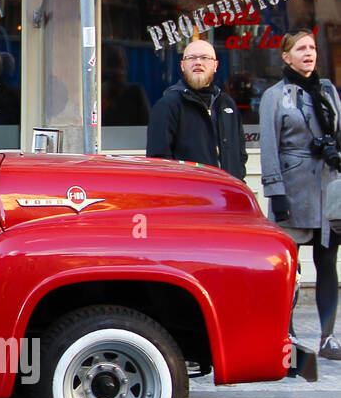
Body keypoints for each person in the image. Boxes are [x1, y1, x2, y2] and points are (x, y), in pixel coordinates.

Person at [260, 30, 341, 360]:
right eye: (301, 48)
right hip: (293, 192)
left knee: (327, 262)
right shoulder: (275, 96)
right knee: (288, 270)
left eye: (312, 48)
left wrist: (336, 152)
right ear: (286, 55)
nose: (309, 53)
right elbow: (268, 146)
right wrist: (275, 191)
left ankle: (327, 337)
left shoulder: (328, 92)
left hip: (327, 190)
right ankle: (286, 337)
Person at [146, 38, 247, 179]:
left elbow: (240, 153)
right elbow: (158, 161)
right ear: (182, 65)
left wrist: (238, 176)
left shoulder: (227, 104)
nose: (198, 62)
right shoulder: (167, 105)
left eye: (205, 58)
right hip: (190, 196)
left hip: (227, 193)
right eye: (191, 58)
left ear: (215, 65)